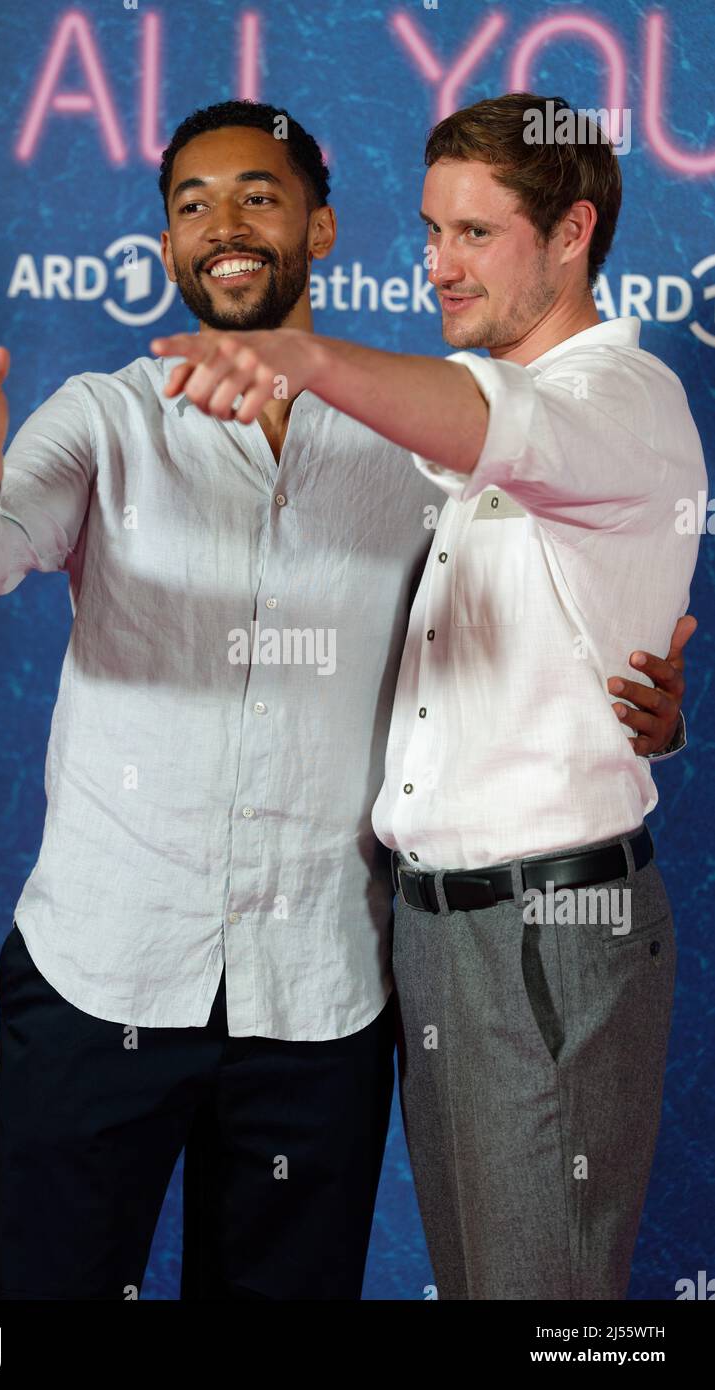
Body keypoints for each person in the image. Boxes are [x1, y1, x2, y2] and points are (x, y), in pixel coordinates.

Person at [0, 100, 690, 1301]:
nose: (222, 225)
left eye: (257, 196)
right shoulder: (104, 418)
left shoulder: (419, 437)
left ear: (319, 230)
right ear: (162, 240)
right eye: (190, 203)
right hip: (106, 974)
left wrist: (637, 708)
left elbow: (536, 515)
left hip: (323, 997)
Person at [151, 93, 705, 1300]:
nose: (438, 266)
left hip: (543, 935)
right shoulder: (498, 406)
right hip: (447, 936)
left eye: (476, 234)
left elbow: (487, 420)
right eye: (429, 230)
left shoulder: (616, 401)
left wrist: (295, 351)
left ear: (572, 234)